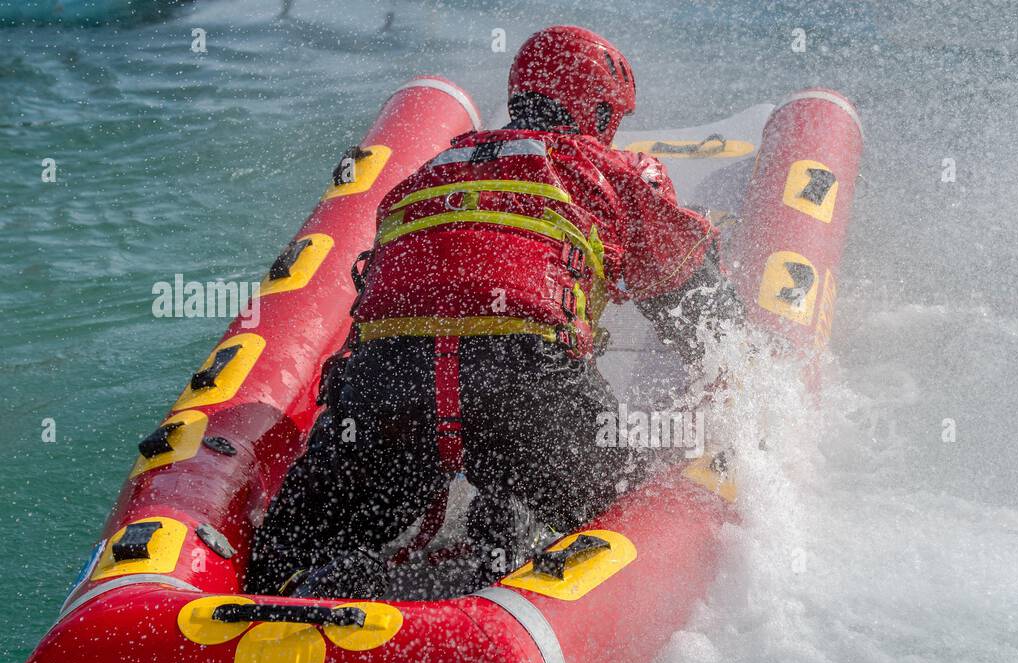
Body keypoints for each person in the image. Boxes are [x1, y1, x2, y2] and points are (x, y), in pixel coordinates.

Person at [247, 25, 745, 598]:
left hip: (385, 390)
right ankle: (500, 553)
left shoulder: (426, 174)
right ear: (600, 111)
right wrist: (744, 370)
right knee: (616, 509)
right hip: (524, 387)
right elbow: (692, 300)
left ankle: (310, 587)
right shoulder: (613, 171)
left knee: (290, 552)